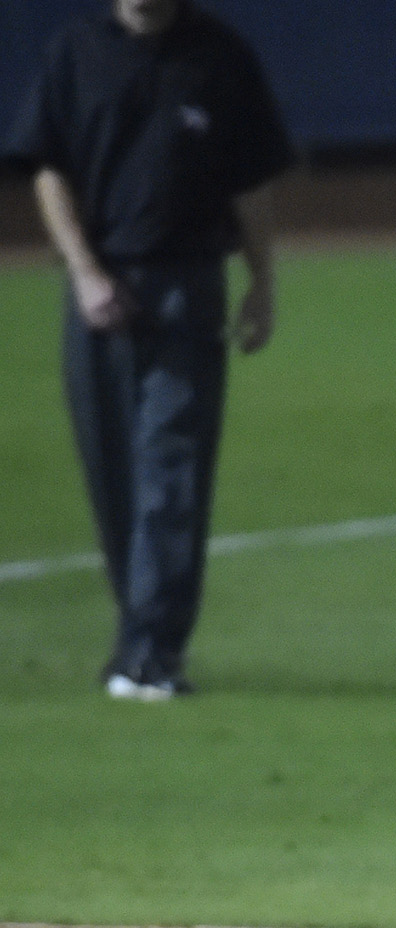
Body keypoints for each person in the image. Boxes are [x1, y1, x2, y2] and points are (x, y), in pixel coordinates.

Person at [6, 0, 295, 700]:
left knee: (172, 470)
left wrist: (261, 283)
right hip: (99, 294)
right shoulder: (76, 55)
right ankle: (140, 638)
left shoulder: (219, 58)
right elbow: (50, 170)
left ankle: (151, 655)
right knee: (115, 477)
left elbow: (250, 180)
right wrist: (84, 271)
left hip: (187, 289)